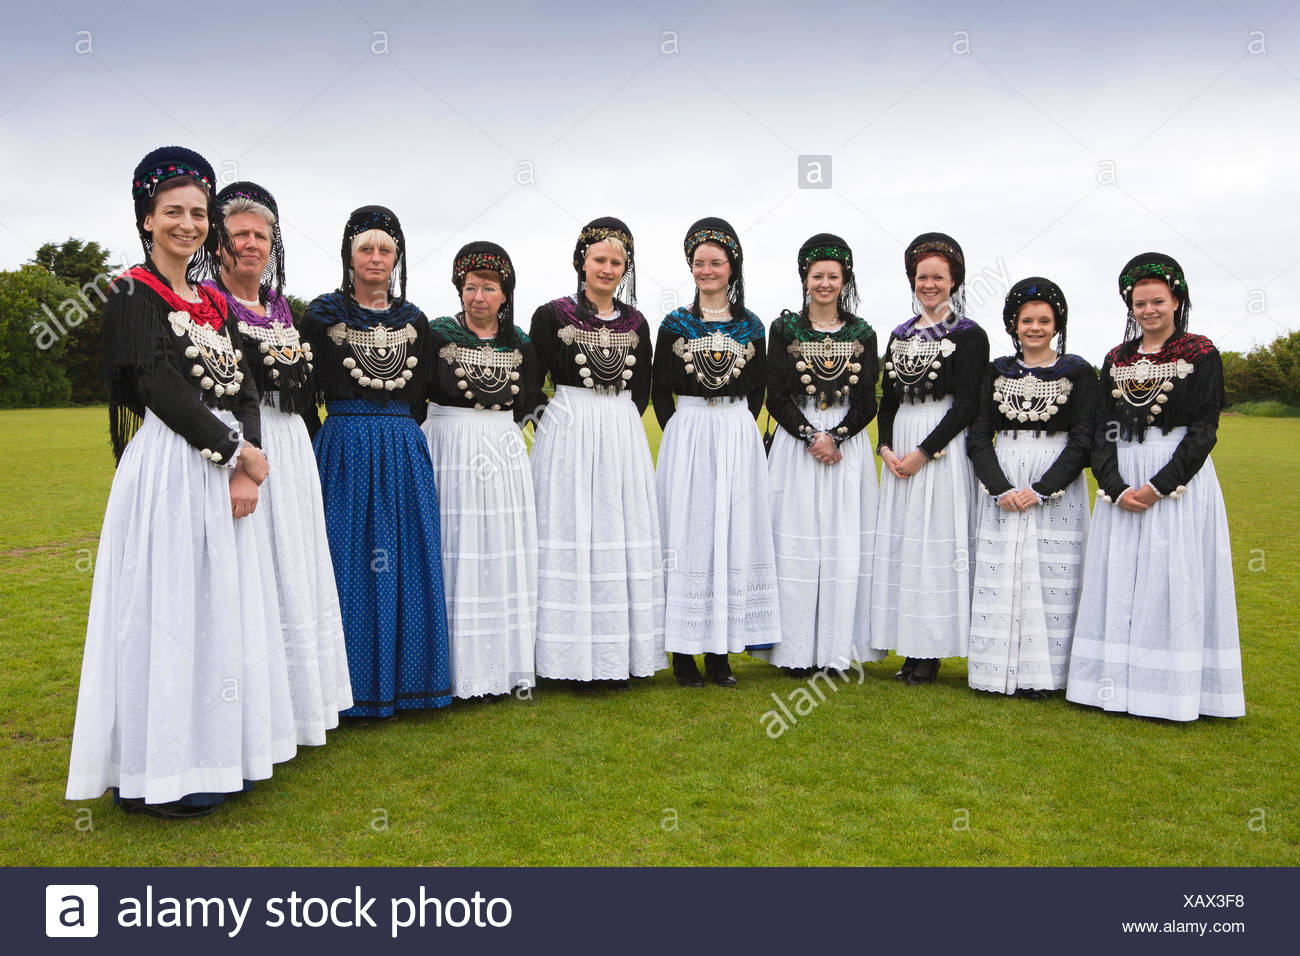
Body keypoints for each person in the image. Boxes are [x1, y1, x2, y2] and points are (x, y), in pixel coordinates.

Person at [66, 146, 296, 817]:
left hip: (224, 469)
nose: (188, 224)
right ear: (146, 218)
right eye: (174, 212)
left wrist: (246, 454)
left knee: (220, 610)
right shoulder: (131, 292)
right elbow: (151, 384)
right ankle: (163, 770)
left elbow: (245, 382)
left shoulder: (213, 303)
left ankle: (220, 754)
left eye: (198, 213)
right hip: (172, 465)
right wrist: (232, 450)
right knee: (169, 611)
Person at [1066, 253, 1245, 721]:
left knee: (1172, 578)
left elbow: (1205, 427)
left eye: (1157, 301)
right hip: (1121, 480)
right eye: (1139, 303)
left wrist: (1159, 486)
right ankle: (1111, 686)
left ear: (1176, 299)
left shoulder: (1200, 352)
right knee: (1120, 576)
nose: (1148, 311)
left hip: (1176, 480)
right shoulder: (1116, 359)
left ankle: (1169, 693)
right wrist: (1114, 485)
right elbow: (1102, 427)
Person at [207, 181, 353, 741]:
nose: (250, 243)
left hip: (290, 445)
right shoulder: (208, 302)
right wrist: (242, 460)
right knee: (253, 567)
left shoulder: (279, 306)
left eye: (259, 235)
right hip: (243, 442)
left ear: (273, 245)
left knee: (294, 564)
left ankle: (297, 707)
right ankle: (247, 715)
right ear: (218, 242)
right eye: (238, 233)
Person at [302, 206, 451, 718]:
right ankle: (345, 688)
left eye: (385, 249)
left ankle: (411, 684)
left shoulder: (414, 321)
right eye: (366, 248)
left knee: (408, 559)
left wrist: (399, 436)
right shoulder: (322, 316)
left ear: (397, 258)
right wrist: (323, 441)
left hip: (401, 446)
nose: (376, 257)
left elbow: (423, 393)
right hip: (341, 445)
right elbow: (301, 391)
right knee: (344, 562)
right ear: (349, 254)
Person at [528, 216, 666, 688]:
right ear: (581, 262)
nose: (607, 269)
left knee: (617, 531)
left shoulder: (636, 322)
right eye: (599, 260)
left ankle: (616, 656)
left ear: (625, 268)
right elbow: (529, 384)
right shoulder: (551, 315)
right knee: (569, 528)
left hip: (620, 431)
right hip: (567, 431)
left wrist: (619, 421)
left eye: (616, 262)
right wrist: (555, 422)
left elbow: (643, 386)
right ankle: (563, 658)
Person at [652, 217, 778, 687]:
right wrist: (683, 432)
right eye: (699, 262)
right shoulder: (674, 324)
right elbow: (659, 388)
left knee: (730, 531)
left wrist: (735, 430)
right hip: (688, 429)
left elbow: (759, 387)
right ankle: (684, 651)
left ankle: (722, 651)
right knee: (687, 535)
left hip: (735, 428)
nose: (707, 270)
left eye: (716, 262)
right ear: (691, 266)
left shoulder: (751, 326)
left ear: (732, 266)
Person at [420, 241, 544, 698]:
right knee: (455, 546)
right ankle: (453, 671)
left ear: (504, 293)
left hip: (502, 447)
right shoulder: (435, 335)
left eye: (488, 288)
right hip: (450, 444)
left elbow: (529, 402)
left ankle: (502, 670)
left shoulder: (521, 344)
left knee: (500, 548)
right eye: (470, 287)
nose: (478, 297)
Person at [753, 233, 880, 675]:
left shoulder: (863, 332)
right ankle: (793, 651)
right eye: (817, 275)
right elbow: (776, 395)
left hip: (846, 450)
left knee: (843, 543)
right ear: (805, 278)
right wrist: (812, 435)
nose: (825, 283)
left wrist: (837, 436)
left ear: (845, 280)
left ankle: (836, 648)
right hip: (796, 445)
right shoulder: (784, 328)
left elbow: (868, 401)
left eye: (833, 275)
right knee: (795, 540)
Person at [965, 278, 1098, 697]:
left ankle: (1046, 677)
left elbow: (1083, 439)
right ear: (1013, 323)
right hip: (1003, 477)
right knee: (1002, 571)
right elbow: (979, 433)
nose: (1035, 327)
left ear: (1057, 324)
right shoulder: (997, 371)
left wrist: (1042, 488)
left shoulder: (1077, 371)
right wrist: (1000, 486)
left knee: (1048, 573)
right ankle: (993, 671)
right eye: (1027, 320)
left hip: (1055, 482)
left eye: (1045, 320)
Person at [871, 232, 989, 684]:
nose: (929, 284)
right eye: (922, 276)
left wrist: (923, 452)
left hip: (941, 448)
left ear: (954, 280)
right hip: (900, 444)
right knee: (904, 543)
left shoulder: (969, 335)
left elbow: (966, 404)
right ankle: (907, 640)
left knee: (935, 544)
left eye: (938, 276)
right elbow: (888, 398)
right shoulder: (900, 335)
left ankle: (931, 649)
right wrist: (885, 447)